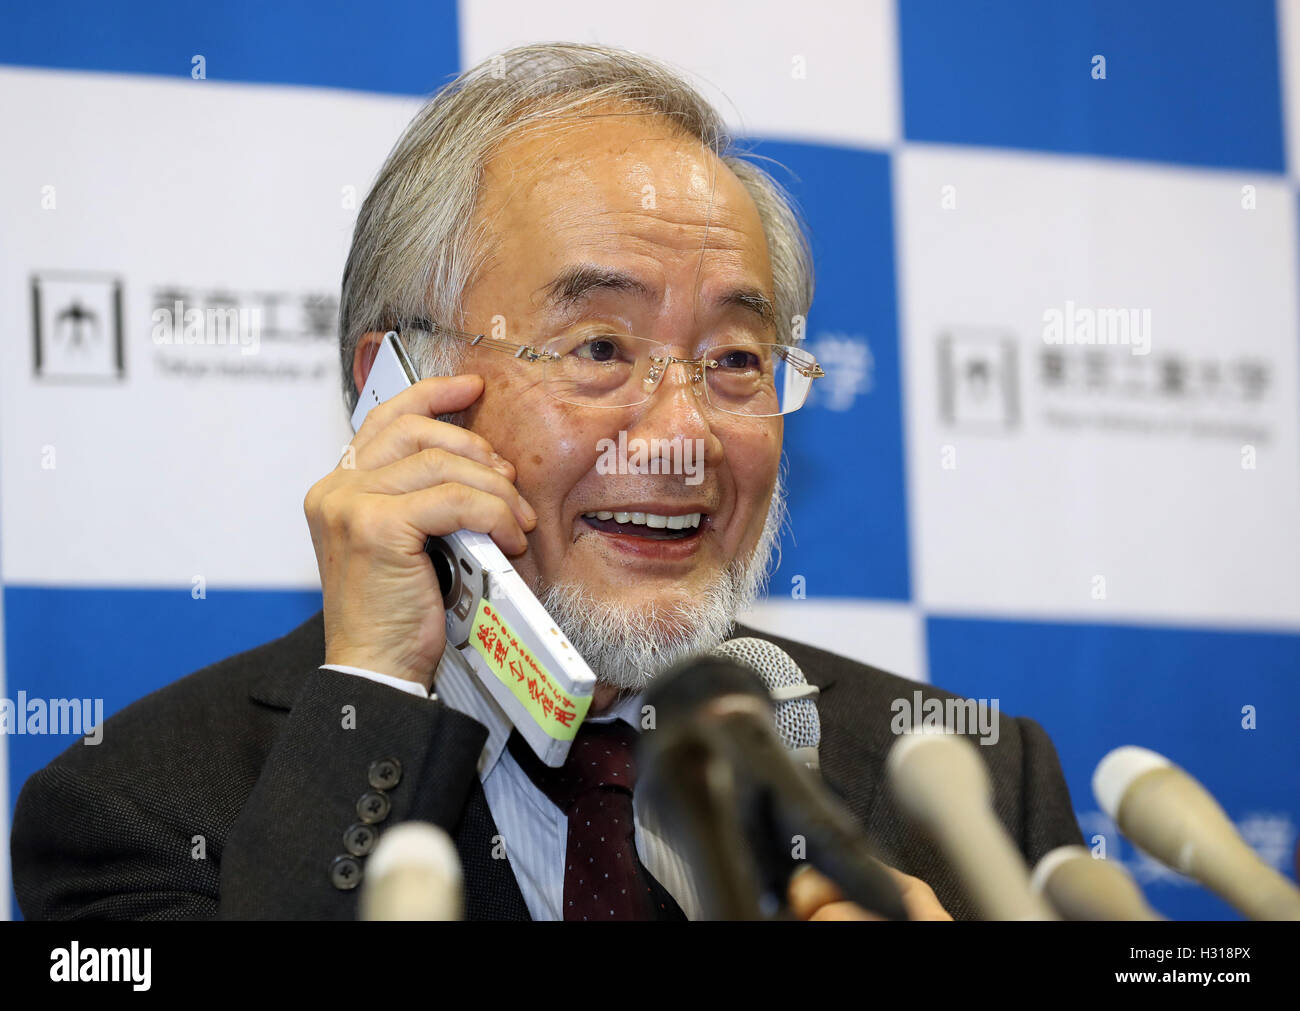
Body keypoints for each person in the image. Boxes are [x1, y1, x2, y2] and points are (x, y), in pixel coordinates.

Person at [12, 42, 1081, 921]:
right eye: (599, 349)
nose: (681, 435)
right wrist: (379, 689)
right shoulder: (143, 804)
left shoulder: (971, 793)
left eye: (735, 362)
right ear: (398, 387)